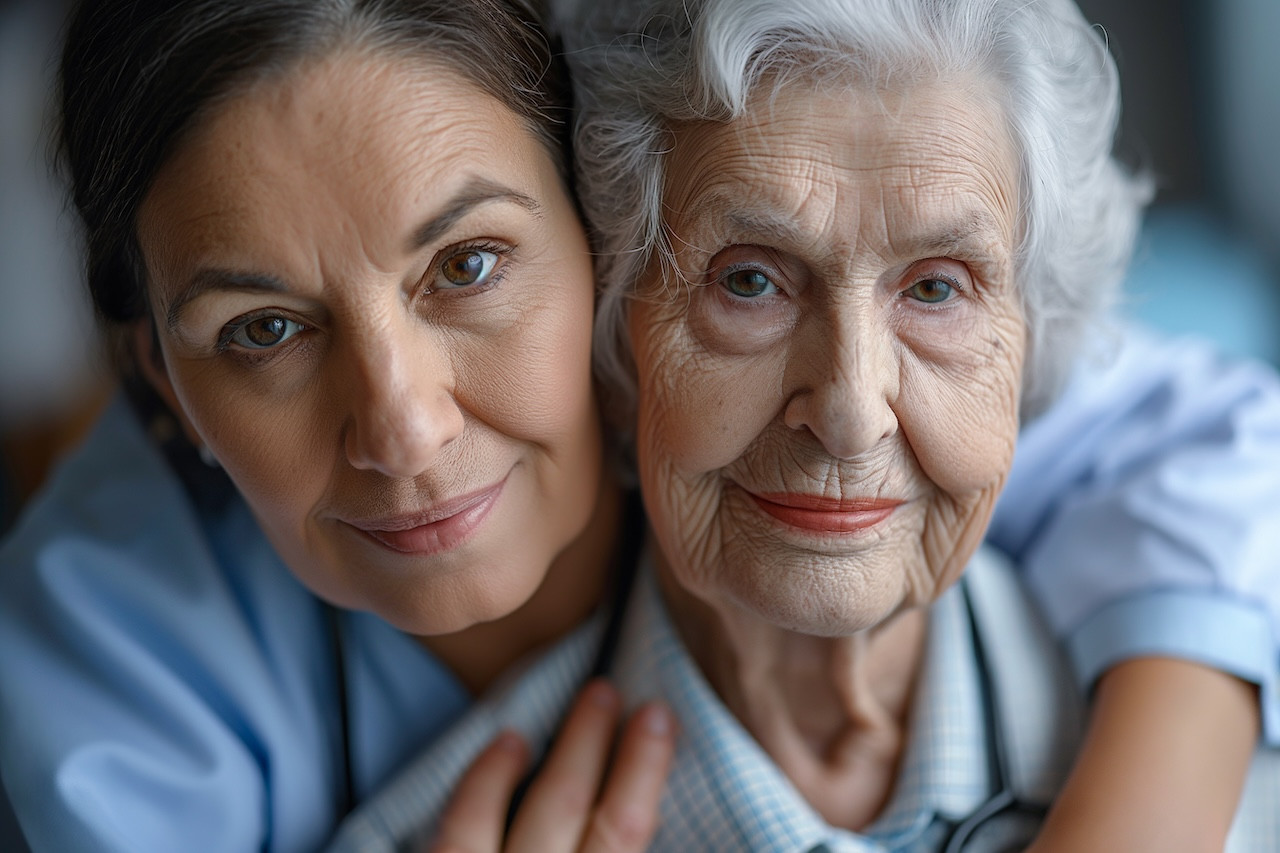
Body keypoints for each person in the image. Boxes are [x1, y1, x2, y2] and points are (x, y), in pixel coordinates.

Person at [2, 0, 1279, 851]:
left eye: (468, 265)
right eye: (263, 329)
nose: (402, 427)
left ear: (586, 250)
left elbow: (1201, 442)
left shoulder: (940, 391)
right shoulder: (106, 647)